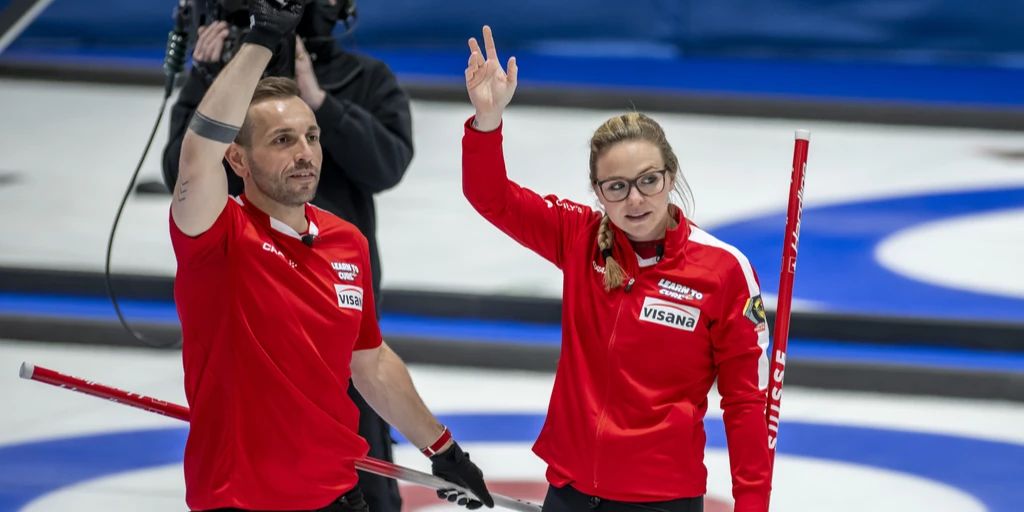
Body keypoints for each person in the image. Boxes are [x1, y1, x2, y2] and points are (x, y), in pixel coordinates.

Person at [169, 2, 493, 510]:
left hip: (339, 497)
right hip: (239, 501)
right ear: (238, 158)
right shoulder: (215, 235)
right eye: (282, 140)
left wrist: (444, 449)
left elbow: (371, 364)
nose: (305, 153)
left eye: (312, 137)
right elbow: (194, 154)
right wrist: (262, 38)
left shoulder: (347, 240)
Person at [461, 26, 772, 512]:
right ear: (597, 191)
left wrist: (752, 504)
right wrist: (487, 120)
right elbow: (491, 197)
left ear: (671, 175)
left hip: (662, 500)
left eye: (649, 181)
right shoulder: (579, 236)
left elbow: (747, 402)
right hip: (569, 494)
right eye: (617, 187)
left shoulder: (724, 270)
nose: (636, 199)